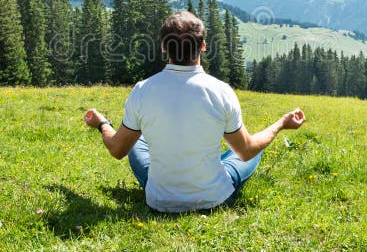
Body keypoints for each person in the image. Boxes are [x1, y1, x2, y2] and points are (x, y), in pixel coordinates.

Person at [83, 11, 306, 213]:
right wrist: (280, 124)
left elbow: (117, 149)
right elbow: (245, 152)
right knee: (255, 147)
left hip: (159, 201)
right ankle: (205, 171)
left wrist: (103, 123)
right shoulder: (221, 91)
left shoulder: (143, 90)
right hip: (213, 198)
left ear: (163, 47)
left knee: (133, 143)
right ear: (203, 46)